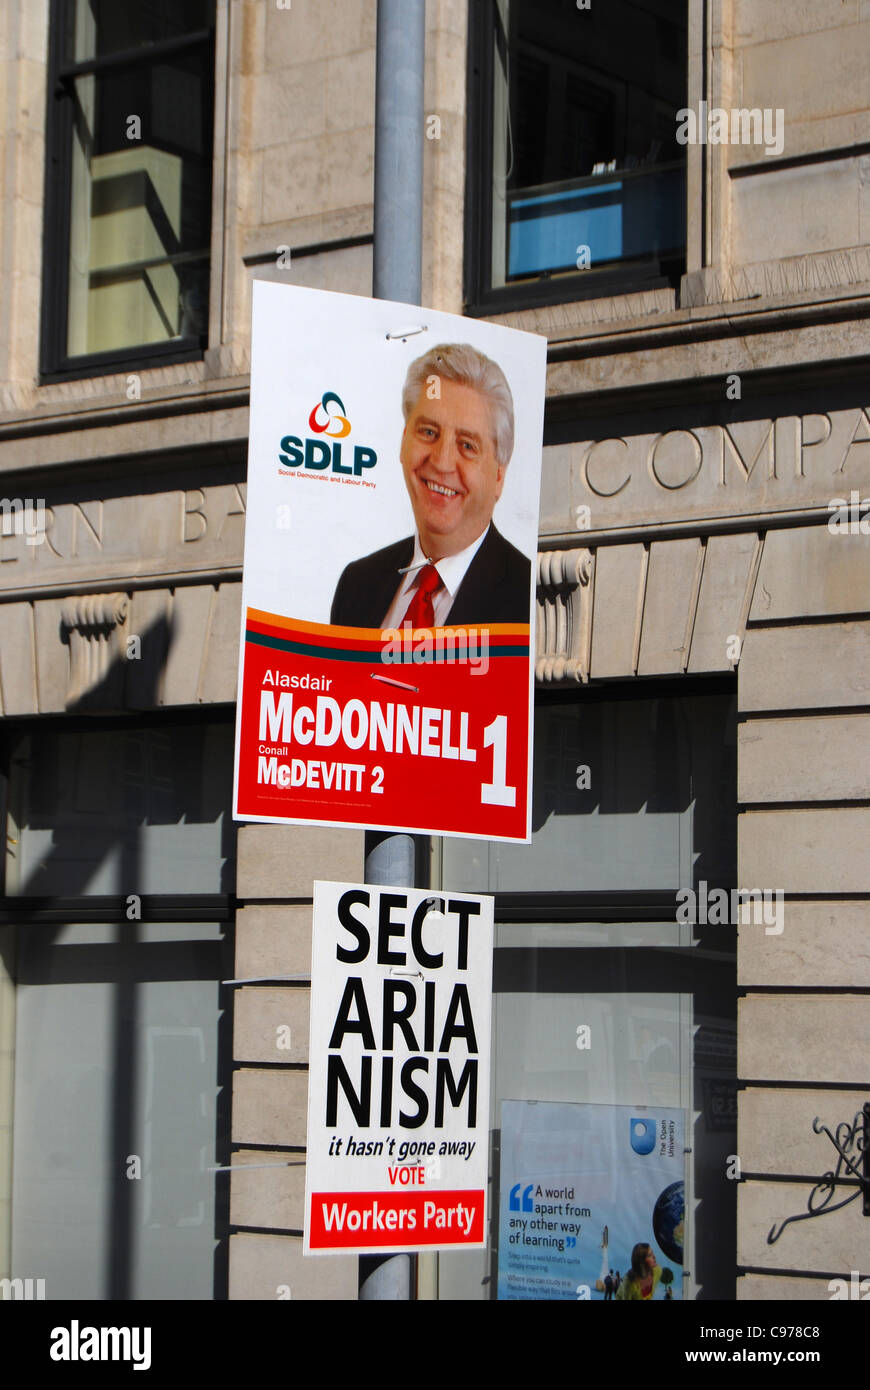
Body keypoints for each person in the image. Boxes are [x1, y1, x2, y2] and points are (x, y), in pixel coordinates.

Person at [330, 343, 531, 628]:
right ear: (403, 442)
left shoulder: (528, 598)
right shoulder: (357, 585)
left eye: (467, 445)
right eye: (428, 432)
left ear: (499, 476)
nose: (441, 462)